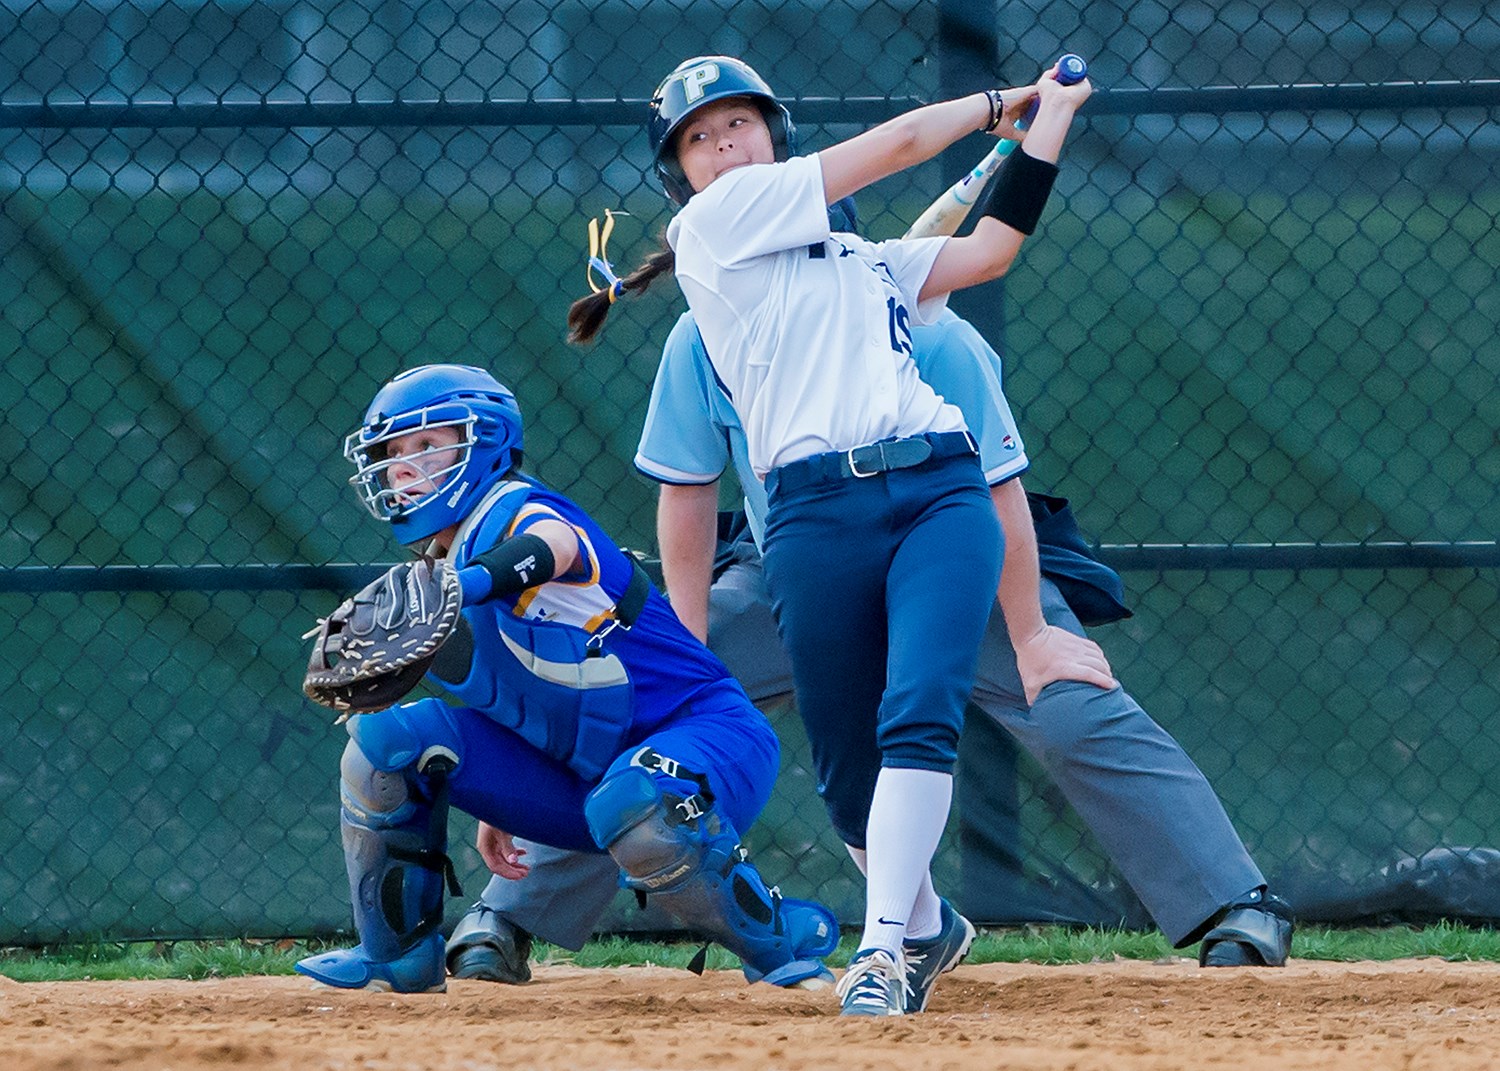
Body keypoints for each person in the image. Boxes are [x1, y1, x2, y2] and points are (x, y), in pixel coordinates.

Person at [448, 301, 1294, 1004]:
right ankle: (514, 910)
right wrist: (686, 651)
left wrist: (1034, 632)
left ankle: (1232, 899)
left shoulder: (931, 331)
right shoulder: (704, 333)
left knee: (1065, 696)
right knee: (630, 702)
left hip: (955, 552)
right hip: (798, 569)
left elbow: (1000, 487)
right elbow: (689, 496)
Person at [564, 54, 1114, 1017]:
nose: (723, 146)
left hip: (938, 489)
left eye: (737, 125)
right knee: (846, 764)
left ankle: (883, 952)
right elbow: (898, 145)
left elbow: (989, 250)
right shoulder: (712, 231)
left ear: (774, 132)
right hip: (811, 517)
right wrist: (995, 104)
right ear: (681, 175)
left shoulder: (877, 264)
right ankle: (927, 921)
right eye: (698, 138)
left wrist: (1050, 119)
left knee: (918, 711)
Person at [293, 363, 838, 993]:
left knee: (635, 803)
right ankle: (396, 955)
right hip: (584, 773)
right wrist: (500, 798)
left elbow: (558, 546)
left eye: (427, 444)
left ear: (486, 443)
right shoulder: (441, 561)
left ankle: (779, 948)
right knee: (383, 747)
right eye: (391, 454)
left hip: (708, 737)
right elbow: (525, 685)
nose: (404, 466)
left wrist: (466, 584)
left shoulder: (515, 510)